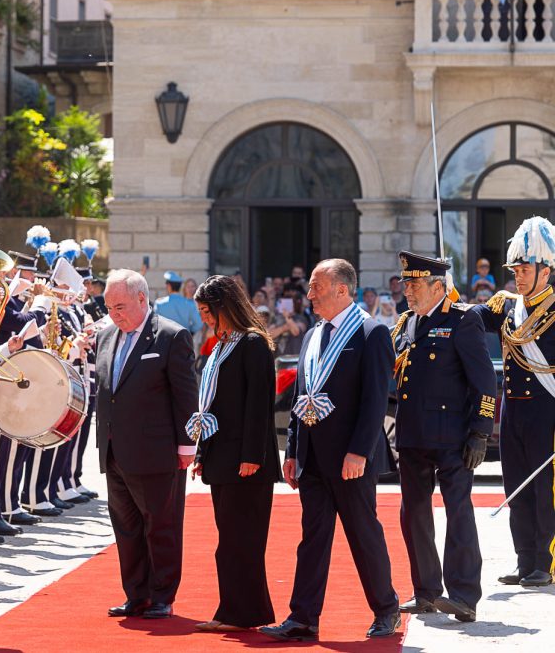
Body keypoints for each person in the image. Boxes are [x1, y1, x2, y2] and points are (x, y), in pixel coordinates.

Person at [260, 259, 400, 642]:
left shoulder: (372, 333)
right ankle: (303, 618)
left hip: (351, 460)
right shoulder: (313, 334)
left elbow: (375, 401)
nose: (309, 294)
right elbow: (303, 399)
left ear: (342, 289)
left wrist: (359, 451)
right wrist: (292, 451)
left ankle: (387, 609)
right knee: (313, 540)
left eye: (317, 286)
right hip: (313, 459)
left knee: (363, 535)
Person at [390, 251, 495, 624]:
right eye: (405, 283)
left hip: (452, 438)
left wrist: (480, 432)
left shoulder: (462, 320)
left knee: (458, 512)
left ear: (438, 286)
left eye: (415, 284)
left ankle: (465, 595)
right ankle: (426, 591)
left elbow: (485, 382)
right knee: (414, 514)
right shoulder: (406, 323)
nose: (408, 291)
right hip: (413, 435)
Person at [96, 269, 198, 620]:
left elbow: (186, 395)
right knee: (126, 527)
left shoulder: (171, 336)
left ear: (143, 298)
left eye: (120, 306)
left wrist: (187, 446)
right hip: (114, 451)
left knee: (161, 525)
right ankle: (136, 594)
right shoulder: (106, 336)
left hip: (157, 452)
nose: (114, 314)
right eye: (109, 307)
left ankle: (161, 595)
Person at [189, 275, 280, 633]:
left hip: (247, 461)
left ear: (224, 307)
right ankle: (236, 611)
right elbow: (213, 406)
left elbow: (259, 405)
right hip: (221, 458)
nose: (204, 319)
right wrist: (202, 453)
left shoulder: (253, 344)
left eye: (207, 311)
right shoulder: (222, 345)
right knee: (229, 540)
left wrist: (252, 455)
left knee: (241, 541)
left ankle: (241, 614)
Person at [475, 217, 555, 589]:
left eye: (524, 269)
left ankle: (546, 561)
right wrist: (448, 296)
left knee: (544, 489)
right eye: (516, 269)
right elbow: (472, 319)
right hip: (513, 409)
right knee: (516, 485)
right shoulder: (507, 306)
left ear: (545, 270)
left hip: (546, 410)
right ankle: (524, 559)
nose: (518, 277)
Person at [155, 270, 202, 337]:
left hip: (165, 341)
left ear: (169, 286)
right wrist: (189, 332)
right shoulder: (189, 304)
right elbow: (198, 324)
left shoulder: (159, 303)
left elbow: (155, 324)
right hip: (183, 341)